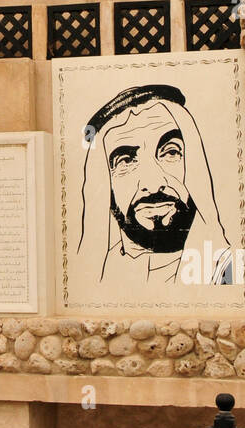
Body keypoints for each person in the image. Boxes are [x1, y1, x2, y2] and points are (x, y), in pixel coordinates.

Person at [78, 83, 232, 295]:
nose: (152, 183)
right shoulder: (100, 275)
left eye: (170, 153)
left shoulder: (226, 269)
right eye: (125, 161)